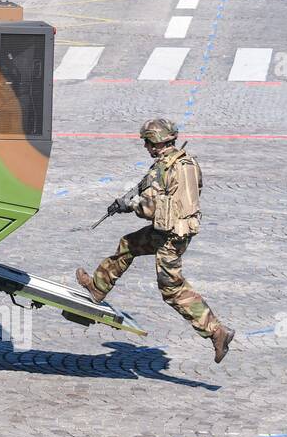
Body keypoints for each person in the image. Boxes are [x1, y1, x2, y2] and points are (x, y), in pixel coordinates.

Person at [76, 118, 234, 364]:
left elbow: (148, 208)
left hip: (171, 237)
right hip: (177, 229)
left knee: (171, 289)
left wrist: (128, 205)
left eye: (147, 142)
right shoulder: (189, 162)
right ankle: (97, 288)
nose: (145, 147)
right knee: (129, 244)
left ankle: (216, 332)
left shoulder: (161, 168)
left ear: (156, 142)